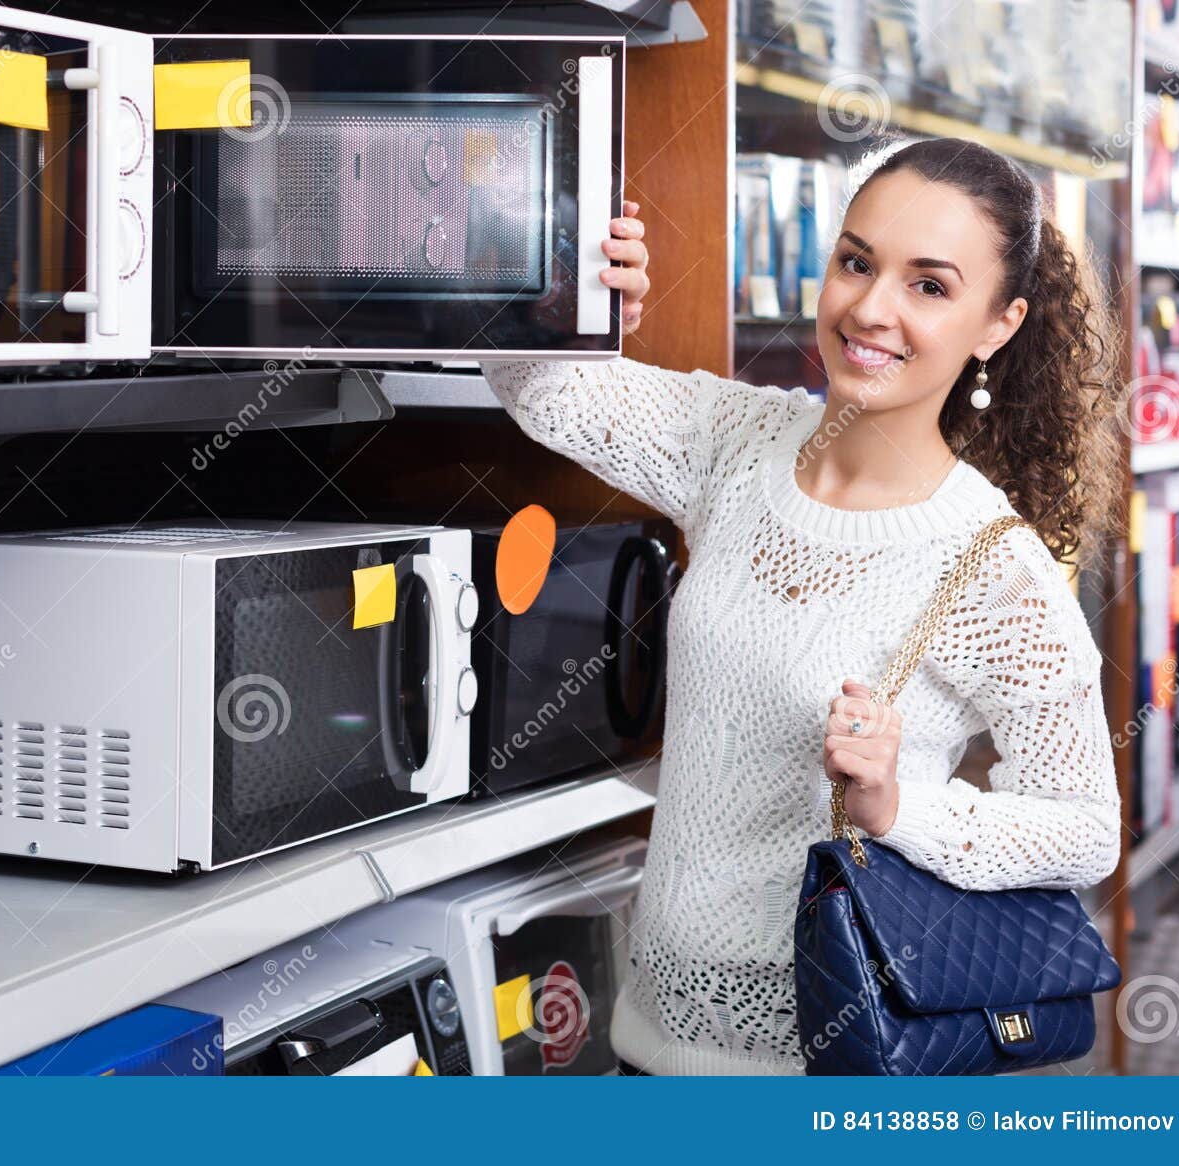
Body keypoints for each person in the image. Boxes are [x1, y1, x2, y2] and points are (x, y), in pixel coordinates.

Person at [481, 136, 1127, 1075]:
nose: (870, 309)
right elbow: (538, 387)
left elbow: (1085, 831)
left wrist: (900, 806)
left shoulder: (997, 569)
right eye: (857, 262)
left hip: (823, 1069)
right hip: (646, 1042)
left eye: (930, 286)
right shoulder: (742, 438)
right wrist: (572, 301)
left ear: (999, 323)